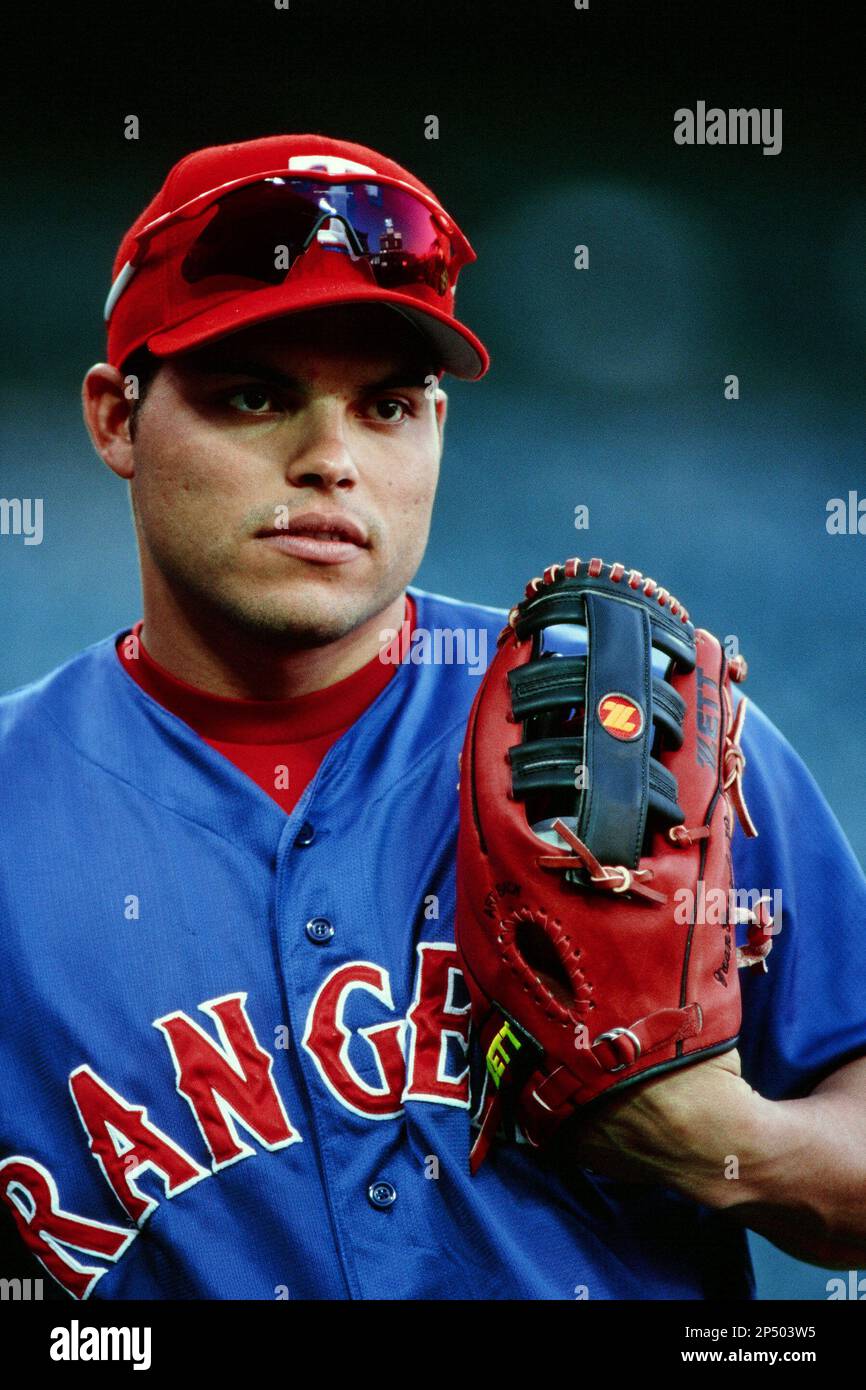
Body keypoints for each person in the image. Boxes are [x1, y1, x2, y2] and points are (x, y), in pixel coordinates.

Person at [1, 133, 865, 1301]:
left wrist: (730, 1144)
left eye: (387, 405)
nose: (330, 460)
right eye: (253, 395)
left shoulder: (633, 737)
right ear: (115, 418)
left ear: (438, 432)